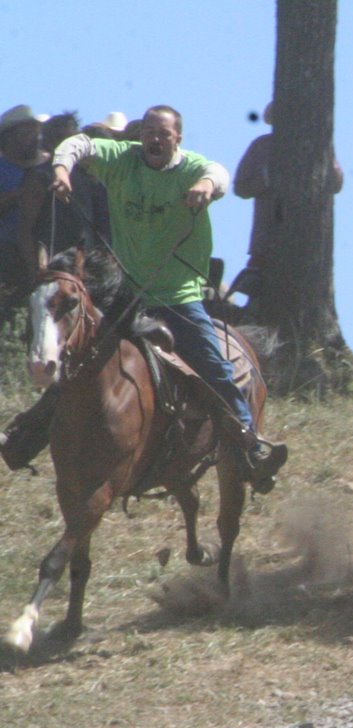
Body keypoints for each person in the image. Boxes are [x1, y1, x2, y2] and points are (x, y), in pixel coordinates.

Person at [0, 105, 287, 486]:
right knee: (81, 363)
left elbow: (218, 174)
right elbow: (79, 144)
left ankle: (251, 445)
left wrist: (206, 187)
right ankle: (23, 438)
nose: (154, 138)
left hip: (179, 296)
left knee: (214, 368)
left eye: (163, 133)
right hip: (128, 293)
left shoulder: (191, 168)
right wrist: (60, 169)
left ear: (177, 139)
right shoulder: (122, 160)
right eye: (149, 131)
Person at [230, 100, 344, 297]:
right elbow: (241, 188)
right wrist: (266, 178)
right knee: (259, 293)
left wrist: (321, 157)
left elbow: (336, 183)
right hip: (265, 241)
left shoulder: (317, 146)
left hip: (309, 241)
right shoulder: (261, 146)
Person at [16, 111, 113, 285]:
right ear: (51, 142)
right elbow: (25, 229)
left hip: (86, 267)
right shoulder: (40, 177)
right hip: (53, 265)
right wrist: (35, 273)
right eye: (64, 140)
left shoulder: (91, 176)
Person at [0, 104, 47, 313]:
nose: (33, 136)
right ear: (8, 137)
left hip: (47, 251)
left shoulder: (51, 166)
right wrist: (21, 195)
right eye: (25, 131)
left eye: (34, 129)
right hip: (7, 254)